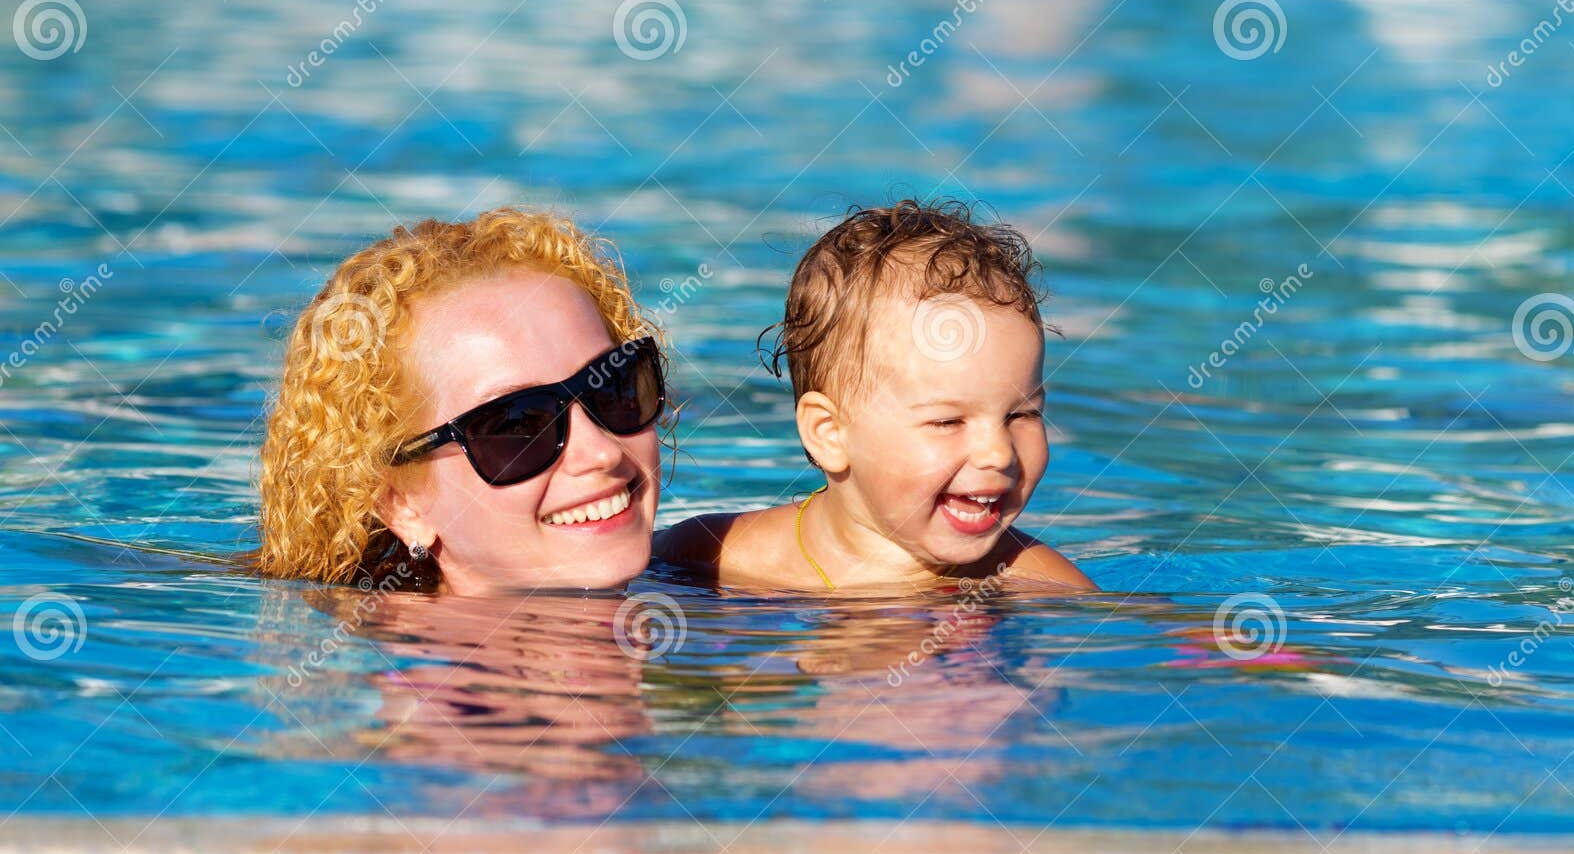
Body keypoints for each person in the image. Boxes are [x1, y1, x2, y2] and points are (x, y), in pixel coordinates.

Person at [656, 199, 1095, 593]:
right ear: (830, 433)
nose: (999, 453)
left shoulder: (1036, 585)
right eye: (948, 421)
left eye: (1021, 414)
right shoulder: (715, 557)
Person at [252, 206, 668, 595]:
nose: (600, 452)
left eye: (612, 384)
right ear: (401, 505)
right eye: (518, 426)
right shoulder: (365, 656)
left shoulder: (700, 575)